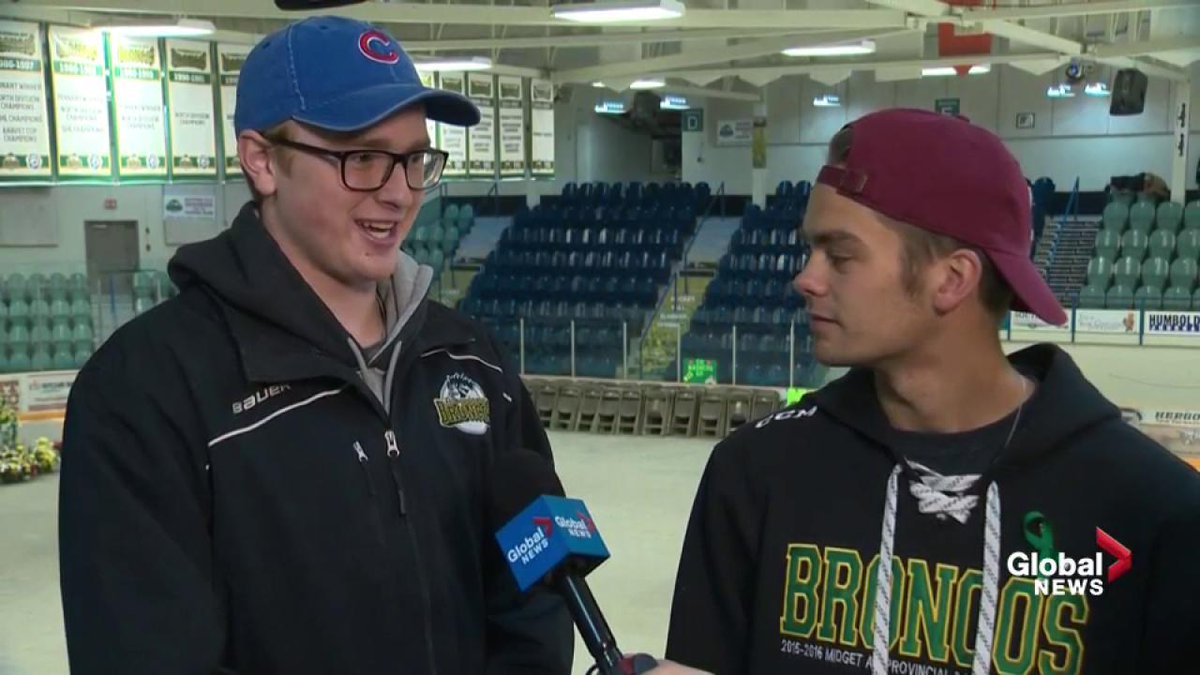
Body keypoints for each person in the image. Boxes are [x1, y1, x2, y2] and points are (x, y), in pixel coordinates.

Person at [58, 16, 573, 675]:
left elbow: (538, 594)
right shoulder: (146, 391)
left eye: (415, 158)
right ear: (263, 160)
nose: (399, 192)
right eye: (362, 158)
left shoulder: (473, 358)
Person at [663, 109, 1200, 674]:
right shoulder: (756, 472)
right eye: (811, 250)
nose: (807, 278)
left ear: (953, 278)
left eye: (839, 256)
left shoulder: (1150, 507)